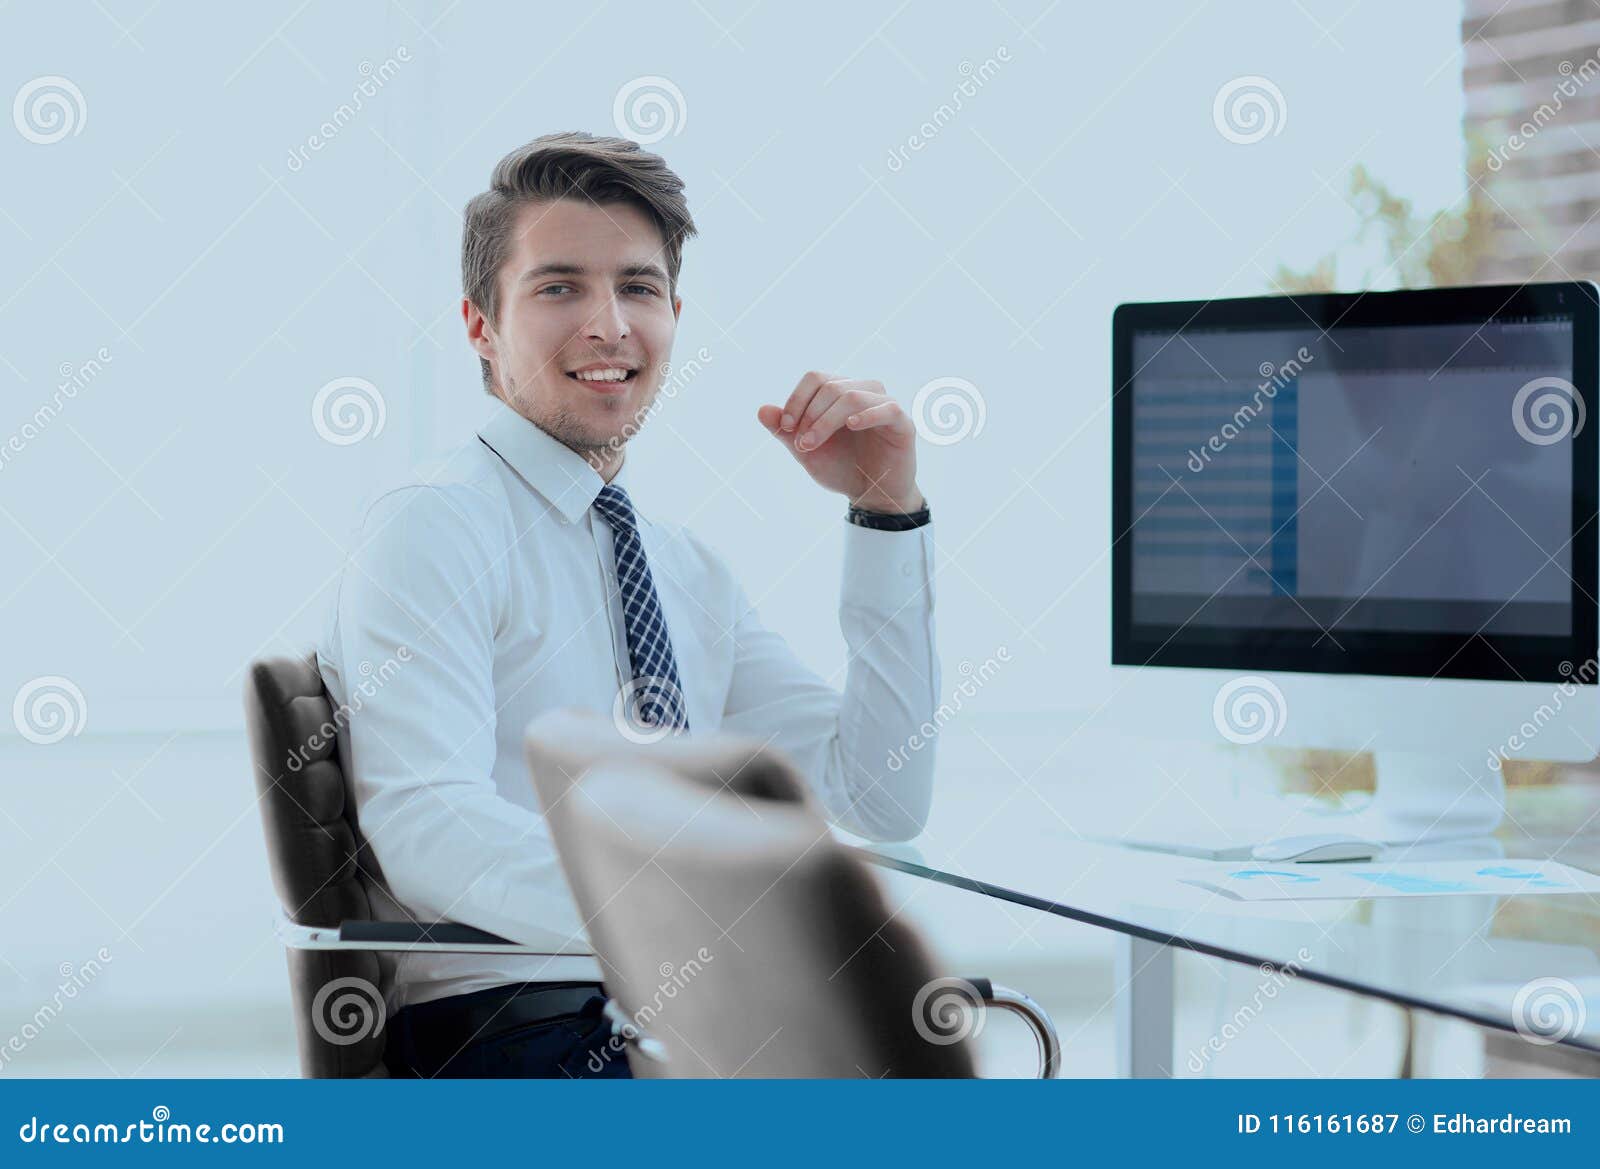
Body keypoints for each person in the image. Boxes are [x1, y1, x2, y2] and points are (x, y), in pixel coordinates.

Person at [317, 131, 940, 1077]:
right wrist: (702, 921)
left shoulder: (684, 568)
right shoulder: (434, 525)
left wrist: (886, 511)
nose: (610, 326)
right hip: (517, 1025)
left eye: (639, 288)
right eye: (559, 286)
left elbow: (881, 794)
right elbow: (428, 828)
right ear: (480, 324)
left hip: (686, 1019)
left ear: (675, 314)